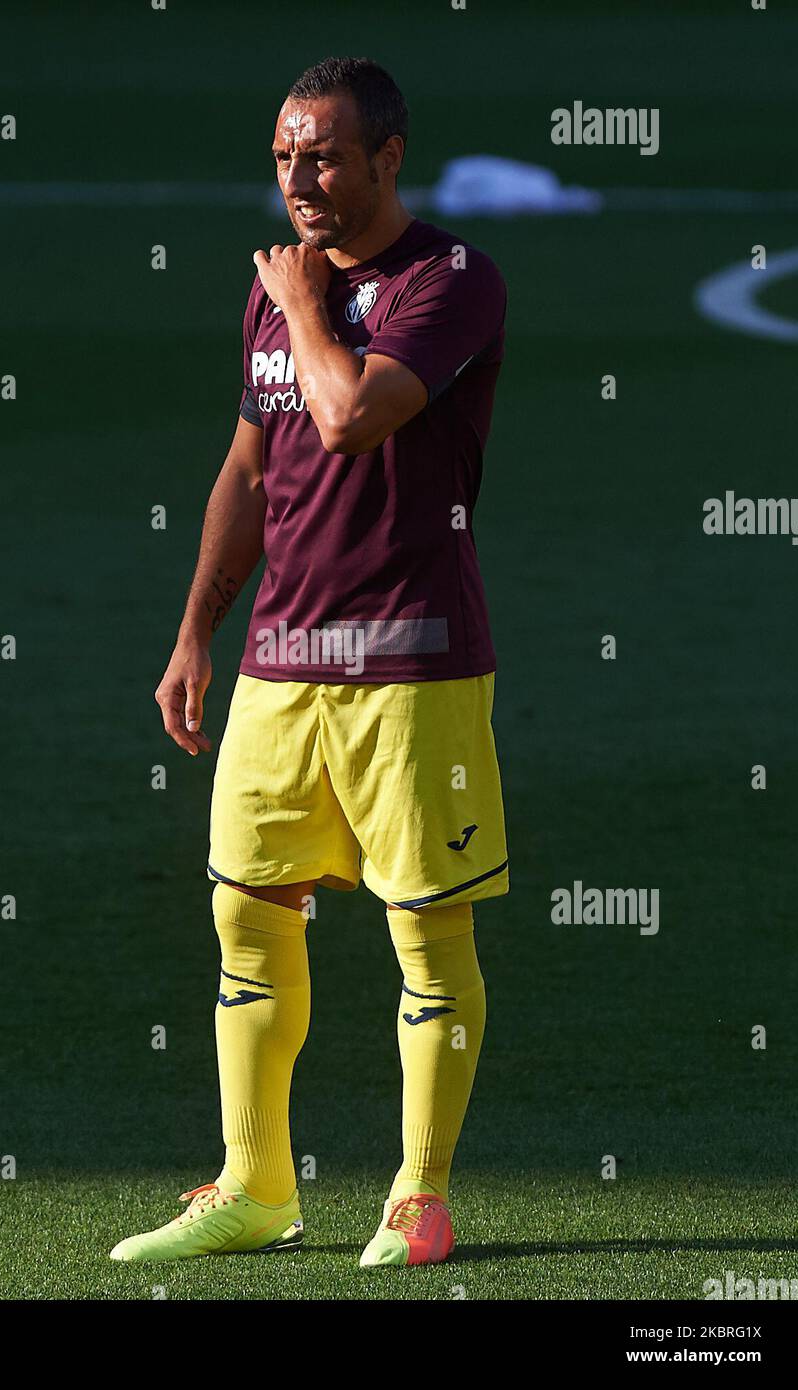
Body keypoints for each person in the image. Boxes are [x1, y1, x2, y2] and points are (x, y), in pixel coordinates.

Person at [111, 55, 509, 1269]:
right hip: (280, 665)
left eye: (324, 155)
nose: (300, 179)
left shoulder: (449, 281)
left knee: (426, 936)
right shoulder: (275, 292)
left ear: (389, 157)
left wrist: (301, 307)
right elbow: (250, 469)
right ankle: (254, 1186)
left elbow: (346, 417)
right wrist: (195, 632)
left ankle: (418, 1196)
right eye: (285, 156)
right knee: (245, 913)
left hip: (414, 665)